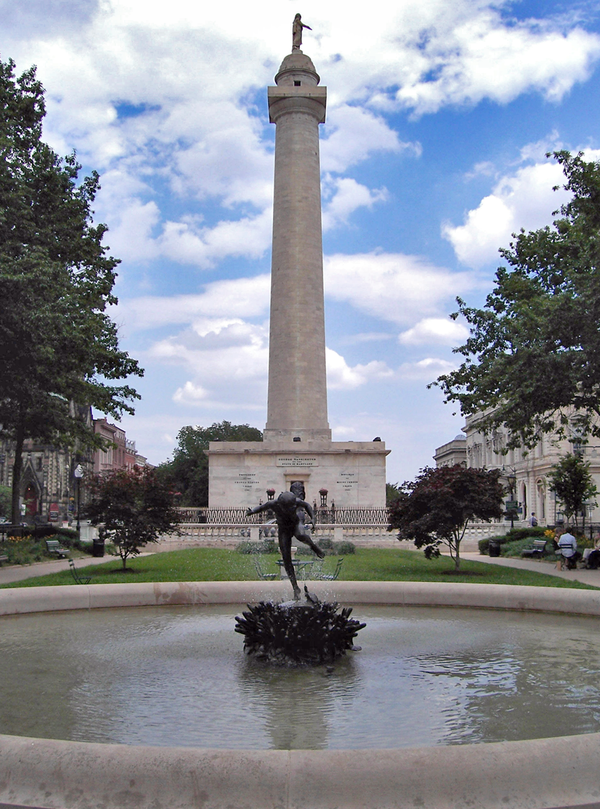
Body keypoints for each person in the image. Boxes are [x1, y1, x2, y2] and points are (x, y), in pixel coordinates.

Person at [247, 488, 324, 600]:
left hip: (295, 524)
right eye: (291, 507)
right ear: (282, 506)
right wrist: (252, 511)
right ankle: (295, 588)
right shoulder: (274, 504)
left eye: (294, 506)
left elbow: (307, 505)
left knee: (301, 535)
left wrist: (313, 519)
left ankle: (314, 546)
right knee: (286, 559)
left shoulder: (295, 501)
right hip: (283, 529)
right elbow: (261, 507)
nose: (293, 508)